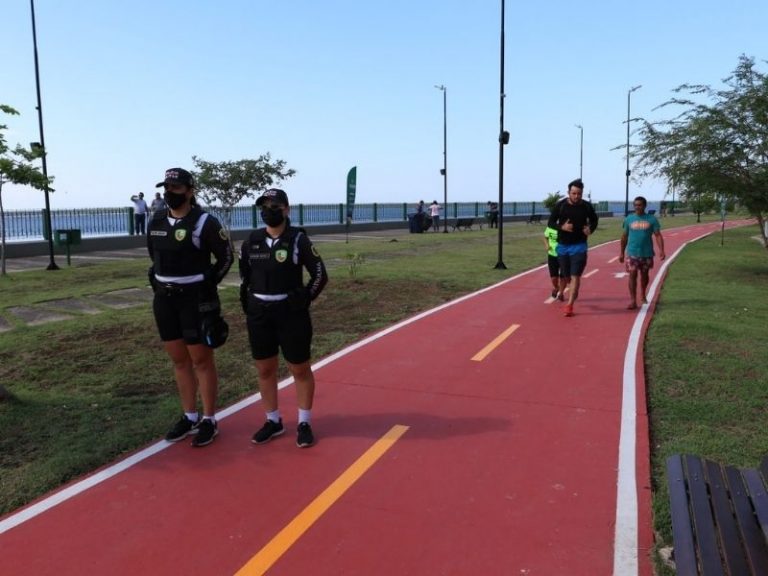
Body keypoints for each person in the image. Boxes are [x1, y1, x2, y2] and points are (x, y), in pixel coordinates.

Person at [147, 168, 234, 447]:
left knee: (200, 359)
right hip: (164, 299)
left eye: (177, 188)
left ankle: (209, 419)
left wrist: (209, 284)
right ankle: (189, 415)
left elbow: (226, 257)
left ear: (190, 190)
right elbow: (154, 255)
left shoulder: (204, 222)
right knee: (179, 359)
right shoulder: (156, 220)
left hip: (194, 299)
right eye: (167, 188)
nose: (171, 193)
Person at [239, 188, 328, 448]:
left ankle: (304, 422)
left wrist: (305, 297)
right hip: (260, 315)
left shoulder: (298, 240)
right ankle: (273, 421)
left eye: (275, 205)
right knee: (265, 369)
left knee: (299, 368)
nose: (269, 210)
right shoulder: (251, 241)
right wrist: (249, 301)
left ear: (286, 209)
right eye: (264, 206)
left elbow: (320, 275)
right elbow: (245, 275)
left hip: (291, 315)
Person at [546, 178, 598, 317]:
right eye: (574, 193)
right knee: (566, 275)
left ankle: (569, 305)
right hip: (562, 246)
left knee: (575, 276)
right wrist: (561, 227)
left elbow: (594, 219)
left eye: (579, 194)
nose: (576, 196)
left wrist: (590, 229)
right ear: (568, 192)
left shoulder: (586, 206)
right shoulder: (561, 205)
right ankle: (572, 286)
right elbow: (550, 222)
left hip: (579, 246)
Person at [619, 196, 665, 310]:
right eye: (635, 205)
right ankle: (633, 300)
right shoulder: (629, 219)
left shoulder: (651, 219)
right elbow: (624, 237)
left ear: (644, 206)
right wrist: (621, 252)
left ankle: (643, 293)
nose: (637, 207)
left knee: (644, 276)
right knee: (632, 274)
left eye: (639, 205)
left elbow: (658, 235)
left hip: (647, 253)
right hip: (632, 253)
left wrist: (662, 250)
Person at [543, 225, 567, 300]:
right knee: (554, 278)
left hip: (564, 255)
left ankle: (561, 293)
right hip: (552, 255)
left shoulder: (565, 227)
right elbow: (544, 237)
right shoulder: (550, 226)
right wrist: (546, 245)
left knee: (563, 276)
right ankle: (557, 288)